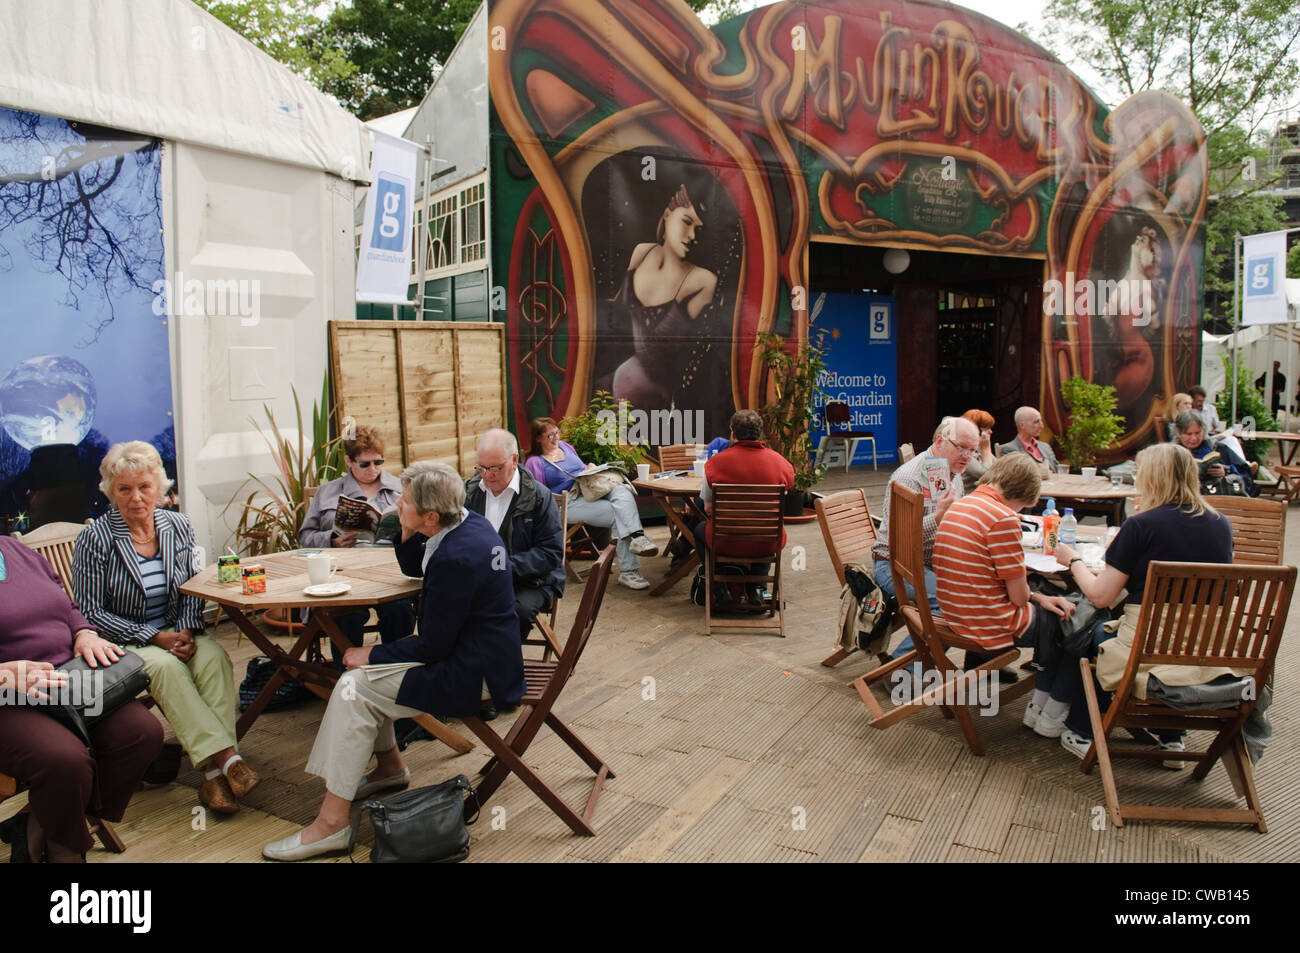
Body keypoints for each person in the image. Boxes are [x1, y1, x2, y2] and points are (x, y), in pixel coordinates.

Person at [262, 462, 525, 861]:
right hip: (488, 657)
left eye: (405, 501)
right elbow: (414, 569)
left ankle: (331, 824)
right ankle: (388, 768)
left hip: (476, 676)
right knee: (365, 678)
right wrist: (405, 532)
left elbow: (432, 647)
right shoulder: (468, 524)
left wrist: (369, 652)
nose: (396, 503)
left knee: (354, 686)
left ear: (431, 516)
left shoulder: (456, 558)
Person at [72, 441, 257, 815]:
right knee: (166, 667)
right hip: (123, 641)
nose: (136, 497)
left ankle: (212, 781)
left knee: (214, 659)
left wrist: (187, 630)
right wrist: (154, 636)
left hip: (177, 629)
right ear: (111, 491)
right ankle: (227, 761)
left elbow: (192, 586)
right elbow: (90, 611)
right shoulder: (96, 539)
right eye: (124, 489)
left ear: (159, 487)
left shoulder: (177, 525)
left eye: (144, 486)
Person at [1053, 443, 1234, 765]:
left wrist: (1074, 560)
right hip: (1202, 648)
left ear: (1153, 478)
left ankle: (1081, 730)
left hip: (1145, 644)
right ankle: (1173, 738)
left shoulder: (1142, 524)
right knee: (1125, 636)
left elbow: (1100, 597)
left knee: (1092, 633)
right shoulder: (1221, 524)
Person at [0, 536, 163, 862]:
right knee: (65, 761)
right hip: (9, 698)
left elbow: (67, 606)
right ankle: (65, 849)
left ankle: (37, 822)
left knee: (141, 734)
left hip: (70, 678)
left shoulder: (13, 548)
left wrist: (84, 632)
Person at [932, 454, 1077, 727]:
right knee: (1067, 621)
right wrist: (1035, 595)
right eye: (1023, 505)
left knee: (1048, 602)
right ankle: (1049, 705)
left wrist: (1038, 596)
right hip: (985, 623)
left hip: (955, 611)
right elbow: (1019, 599)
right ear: (1021, 492)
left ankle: (1045, 698)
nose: (1021, 511)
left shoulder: (960, 506)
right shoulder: (1003, 518)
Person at [299, 425, 413, 656]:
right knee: (345, 614)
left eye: (378, 462)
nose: (373, 469)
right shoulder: (328, 492)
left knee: (399, 610)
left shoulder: (400, 489)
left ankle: (398, 669)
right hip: (343, 573)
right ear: (349, 461)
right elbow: (305, 536)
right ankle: (347, 677)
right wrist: (330, 540)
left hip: (390, 571)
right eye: (365, 464)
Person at [872, 416, 978, 658]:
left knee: (988, 586)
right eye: (961, 447)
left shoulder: (949, 469)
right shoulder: (909, 478)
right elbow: (899, 543)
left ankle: (984, 660)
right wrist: (939, 517)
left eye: (972, 450)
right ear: (940, 440)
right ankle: (902, 667)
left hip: (933, 561)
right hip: (895, 565)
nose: (967, 456)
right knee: (951, 604)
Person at [611, 184, 719, 411]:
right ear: (668, 215)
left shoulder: (703, 280)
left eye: (699, 230)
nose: (691, 236)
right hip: (618, 389)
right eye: (687, 222)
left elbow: (692, 354)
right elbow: (616, 310)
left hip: (661, 397)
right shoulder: (642, 252)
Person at [523, 416, 658, 590]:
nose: (556, 438)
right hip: (567, 503)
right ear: (538, 438)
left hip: (588, 491)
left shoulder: (565, 446)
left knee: (621, 490)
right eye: (550, 436)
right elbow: (539, 496)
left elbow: (580, 467)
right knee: (620, 514)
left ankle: (638, 537)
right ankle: (629, 572)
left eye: (556, 432)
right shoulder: (535, 462)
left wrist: (589, 467)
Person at [464, 429, 565, 642]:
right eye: (482, 467)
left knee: (513, 613)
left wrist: (502, 568)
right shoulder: (469, 492)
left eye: (496, 468)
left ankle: (498, 668)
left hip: (531, 581)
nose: (487, 474)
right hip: (478, 579)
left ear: (515, 459)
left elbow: (551, 553)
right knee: (442, 603)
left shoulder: (539, 496)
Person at [692, 410, 794, 601]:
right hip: (768, 541)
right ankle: (757, 588)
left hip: (726, 540)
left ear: (732, 433)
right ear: (760, 433)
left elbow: (707, 509)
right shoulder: (780, 463)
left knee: (699, 530)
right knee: (764, 530)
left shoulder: (716, 463)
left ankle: (720, 586)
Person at [1173, 409, 1255, 496]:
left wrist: (1226, 471)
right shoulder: (1172, 453)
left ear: (1203, 431)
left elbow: (1245, 475)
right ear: (1178, 433)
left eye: (1197, 433)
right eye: (1188, 434)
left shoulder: (1218, 448)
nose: (1194, 438)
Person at [1189, 384, 1246, 459]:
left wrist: (1219, 431)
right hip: (1199, 440)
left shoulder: (1211, 409)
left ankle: (1244, 463)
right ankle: (1243, 465)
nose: (1201, 404)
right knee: (1223, 448)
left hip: (1211, 437)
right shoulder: (1188, 411)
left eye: (1203, 401)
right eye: (1198, 401)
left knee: (1232, 440)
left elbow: (1217, 426)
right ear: (1191, 399)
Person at [998, 406, 1059, 473]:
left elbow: (1058, 470)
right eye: (1036, 422)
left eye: (1041, 421)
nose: (1042, 426)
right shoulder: (1009, 449)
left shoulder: (1045, 447)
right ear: (1022, 425)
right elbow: (1018, 477)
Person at [960, 409, 996, 493]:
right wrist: (986, 449)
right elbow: (986, 476)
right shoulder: (963, 450)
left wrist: (986, 449)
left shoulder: (979, 449)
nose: (991, 431)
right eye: (987, 428)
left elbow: (1000, 468)